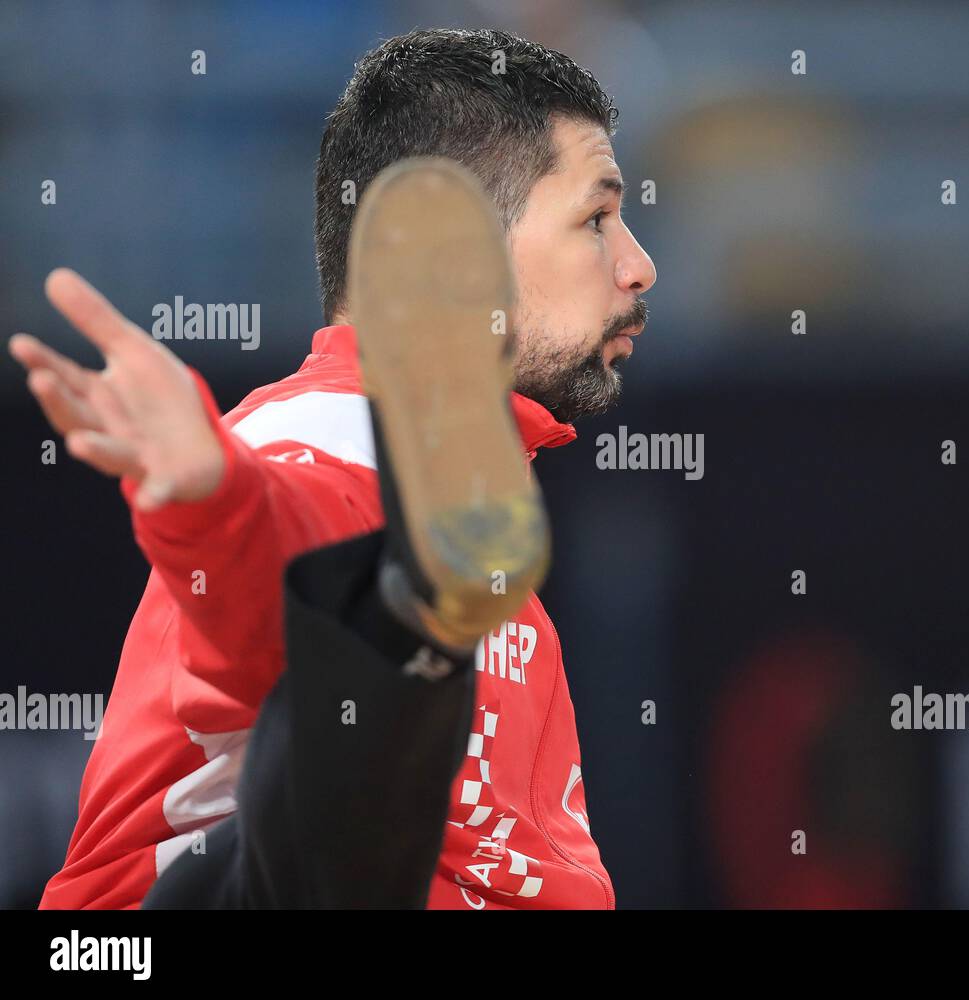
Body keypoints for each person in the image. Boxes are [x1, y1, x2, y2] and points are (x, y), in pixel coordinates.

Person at [14, 27, 655, 909]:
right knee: (359, 657)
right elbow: (279, 577)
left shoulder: (483, 548)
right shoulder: (316, 441)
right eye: (597, 218)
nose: (639, 265)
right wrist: (215, 501)